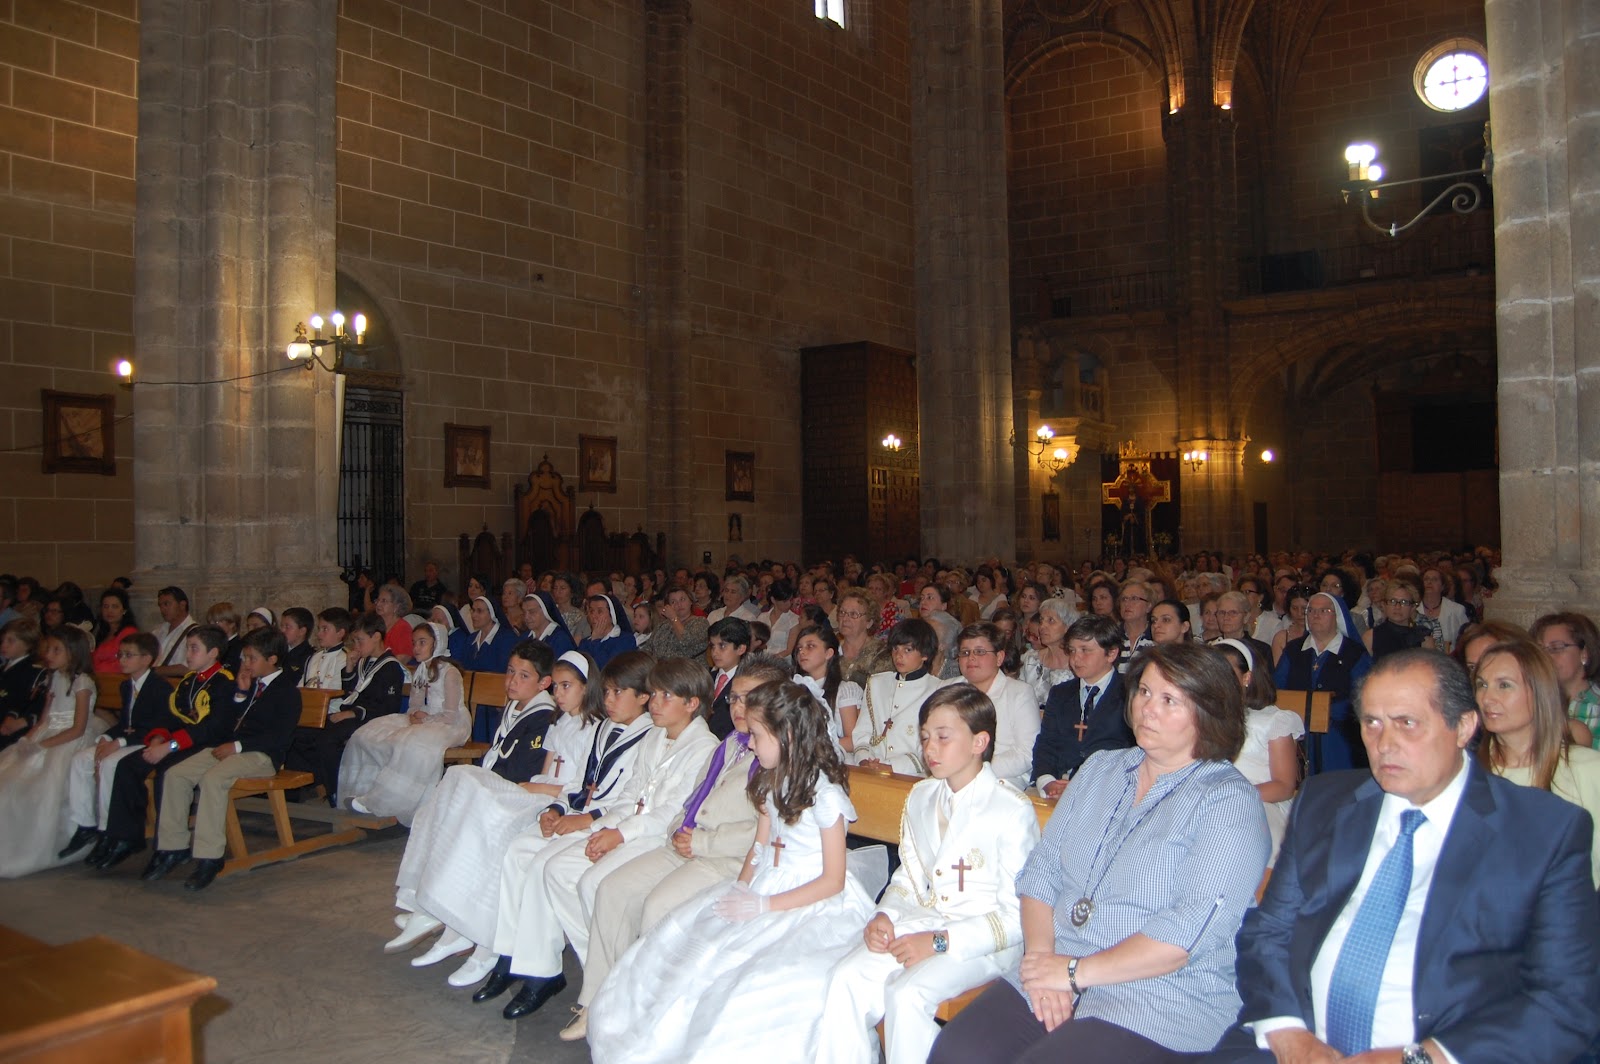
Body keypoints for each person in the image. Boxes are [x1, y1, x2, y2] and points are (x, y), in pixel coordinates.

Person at [1205, 649, 1600, 1064]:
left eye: (1406, 723)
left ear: (1464, 726)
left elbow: (1566, 1002)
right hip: (1296, 1040)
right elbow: (1269, 934)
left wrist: (1424, 1057)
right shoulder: (1328, 803)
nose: (1385, 744)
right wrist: (1287, 1034)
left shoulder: (1542, 830)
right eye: (1371, 723)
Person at [931, 641, 1270, 1063]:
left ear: (1209, 712)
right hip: (1055, 961)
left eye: (1169, 700)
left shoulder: (1226, 799)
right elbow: (1041, 873)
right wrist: (1042, 961)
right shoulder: (1100, 769)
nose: (1148, 709)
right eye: (1144, 692)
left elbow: (1185, 935)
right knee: (957, 1052)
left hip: (1156, 993)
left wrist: (1074, 973)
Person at [586, 680, 874, 1063]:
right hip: (763, 887)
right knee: (693, 950)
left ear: (786, 734)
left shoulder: (827, 797)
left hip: (812, 900)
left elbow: (832, 881)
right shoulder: (771, 781)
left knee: (750, 981)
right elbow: (759, 846)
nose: (749, 744)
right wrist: (741, 890)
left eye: (756, 735)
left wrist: (764, 905)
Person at [567, 656, 788, 1042]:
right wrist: (679, 830)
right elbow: (692, 798)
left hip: (725, 859)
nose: (739, 708)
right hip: (688, 844)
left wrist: (699, 840)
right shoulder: (730, 745)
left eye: (749, 699)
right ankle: (599, 1000)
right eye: (734, 699)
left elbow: (763, 831)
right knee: (612, 889)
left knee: (657, 907)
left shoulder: (775, 755)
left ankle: (648, 1018)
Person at [488, 657, 720, 1022]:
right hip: (626, 827)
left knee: (591, 881)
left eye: (664, 696)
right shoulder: (658, 736)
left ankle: (611, 977)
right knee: (553, 868)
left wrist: (617, 833)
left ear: (691, 704)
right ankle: (598, 965)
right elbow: (629, 796)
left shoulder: (704, 748)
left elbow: (667, 815)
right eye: (654, 693)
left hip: (655, 839)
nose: (654, 703)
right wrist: (602, 829)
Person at [821, 683, 1041, 1064]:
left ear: (979, 742)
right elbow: (908, 876)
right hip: (922, 923)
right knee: (846, 977)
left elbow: (1016, 917)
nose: (930, 748)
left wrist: (939, 942)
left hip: (982, 942)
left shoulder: (1010, 810)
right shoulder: (922, 796)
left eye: (943, 737)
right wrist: (885, 915)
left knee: (908, 994)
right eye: (925, 737)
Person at [450, 652, 654, 998]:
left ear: (642, 697)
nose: (608, 700)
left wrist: (584, 819)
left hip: (605, 823)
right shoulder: (606, 727)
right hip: (578, 813)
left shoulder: (648, 738)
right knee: (516, 851)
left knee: (542, 865)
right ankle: (509, 953)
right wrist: (556, 809)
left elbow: (622, 801)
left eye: (617, 693)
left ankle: (542, 970)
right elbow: (579, 783)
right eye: (606, 692)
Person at [386, 642, 578, 985]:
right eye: (510, 672)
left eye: (523, 675)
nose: (512, 681)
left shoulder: (544, 716)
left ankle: (450, 918)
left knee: (462, 784)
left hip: (526, 797)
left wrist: (494, 788)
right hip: (514, 790)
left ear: (543, 683)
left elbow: (528, 774)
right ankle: (427, 902)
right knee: (449, 792)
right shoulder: (521, 708)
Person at [147, 627, 302, 891]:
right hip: (231, 748)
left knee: (213, 778)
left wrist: (238, 746)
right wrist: (240, 695)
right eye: (244, 657)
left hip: (261, 756)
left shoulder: (286, 691)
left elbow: (277, 737)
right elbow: (230, 722)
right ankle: (172, 847)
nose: (245, 663)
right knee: (176, 773)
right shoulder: (248, 684)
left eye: (251, 658)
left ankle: (210, 856)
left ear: (272, 659)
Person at [98, 626, 236, 874]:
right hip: (183, 741)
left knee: (167, 771)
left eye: (194, 648)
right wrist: (159, 736)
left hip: (207, 746)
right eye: (187, 647)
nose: (188, 654)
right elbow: (172, 717)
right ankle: (126, 836)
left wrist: (170, 746)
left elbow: (211, 729)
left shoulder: (224, 682)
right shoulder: (189, 681)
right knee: (129, 765)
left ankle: (171, 847)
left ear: (213, 652)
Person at [1473, 638, 1600, 884]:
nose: (1487, 698)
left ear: (1540, 691)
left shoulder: (1588, 769)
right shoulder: (1465, 772)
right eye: (1482, 684)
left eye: (1504, 685)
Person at [338, 622, 471, 824]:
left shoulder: (449, 672)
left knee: (409, 742)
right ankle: (366, 789)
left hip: (451, 724)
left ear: (437, 644)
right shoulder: (420, 670)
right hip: (427, 719)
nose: (416, 648)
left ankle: (384, 802)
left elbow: (450, 714)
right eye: (414, 643)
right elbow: (414, 704)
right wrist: (412, 716)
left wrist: (423, 719)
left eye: (422, 642)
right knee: (369, 733)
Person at [60, 633, 174, 864]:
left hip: (149, 741)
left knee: (111, 762)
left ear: (147, 659)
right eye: (120, 654)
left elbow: (157, 727)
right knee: (80, 759)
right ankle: (86, 824)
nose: (122, 659)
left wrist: (119, 742)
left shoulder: (159, 688)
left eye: (128, 655)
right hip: (128, 738)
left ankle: (109, 831)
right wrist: (105, 737)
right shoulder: (126, 685)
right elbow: (124, 724)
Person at [0, 626, 102, 877]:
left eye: (57, 650)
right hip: (49, 733)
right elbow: (45, 719)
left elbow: (78, 728)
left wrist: (42, 746)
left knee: (37, 785)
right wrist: (28, 739)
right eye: (49, 649)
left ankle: (41, 845)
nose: (49, 654)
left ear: (73, 652)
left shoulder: (82, 682)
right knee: (8, 774)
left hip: (69, 739)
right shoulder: (53, 677)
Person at [284, 612, 407, 805]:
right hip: (351, 714)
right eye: (354, 641)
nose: (356, 646)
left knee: (327, 739)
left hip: (371, 719)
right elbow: (352, 690)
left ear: (376, 637)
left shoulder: (391, 667)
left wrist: (352, 712)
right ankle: (316, 781)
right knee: (297, 734)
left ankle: (335, 791)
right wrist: (349, 667)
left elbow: (387, 706)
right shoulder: (364, 662)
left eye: (360, 640)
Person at [1216, 639, 1303, 866]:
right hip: (1210, 798)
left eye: (1226, 672)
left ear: (1246, 677)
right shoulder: (1200, 718)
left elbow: (1284, 786)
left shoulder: (1272, 720)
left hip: (1260, 801)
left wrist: (1233, 796)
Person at [1031, 614, 1132, 797]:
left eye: (1085, 650)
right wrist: (1047, 781)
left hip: (1107, 789)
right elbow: (1047, 743)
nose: (1076, 659)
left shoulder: (1130, 693)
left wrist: (1084, 786)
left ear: (1111, 653)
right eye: (1072, 650)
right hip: (1059, 785)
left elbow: (1132, 752)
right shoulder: (1060, 693)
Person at [1273, 591, 1370, 773]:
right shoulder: (1294, 651)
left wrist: (1327, 710)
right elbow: (1278, 689)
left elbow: (1364, 697)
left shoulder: (1354, 653)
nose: (1316, 615)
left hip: (1340, 740)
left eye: (1324, 610)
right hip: (1298, 735)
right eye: (1311, 611)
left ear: (1337, 616)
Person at [944, 622, 1040, 792]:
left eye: (980, 652)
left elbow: (1027, 753)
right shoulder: (946, 690)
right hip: (950, 773)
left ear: (999, 658)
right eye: (965, 652)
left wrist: (973, 769)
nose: (971, 658)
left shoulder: (1019, 693)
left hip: (1002, 778)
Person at [850, 619, 942, 775]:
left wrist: (892, 767)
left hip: (911, 775)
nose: (898, 656)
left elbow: (934, 746)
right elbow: (862, 732)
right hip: (869, 767)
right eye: (895, 649)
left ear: (925, 654)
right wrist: (864, 759)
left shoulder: (938, 690)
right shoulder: (876, 683)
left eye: (907, 650)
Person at [1531, 611, 1600, 748]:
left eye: (1556, 648)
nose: (1546, 657)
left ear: (1584, 653)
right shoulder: (1529, 702)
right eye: (1540, 650)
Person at [793, 623, 863, 756]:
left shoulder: (844, 690)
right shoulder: (794, 688)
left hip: (834, 759)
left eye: (810, 646)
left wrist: (812, 746)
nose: (802, 652)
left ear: (829, 653)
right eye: (799, 648)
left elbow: (853, 741)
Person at [1019, 598, 1077, 707]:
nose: (1042, 627)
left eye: (1051, 620)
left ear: (1068, 627)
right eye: (1041, 621)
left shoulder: (1078, 664)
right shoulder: (1031, 659)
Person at [1362, 578, 1436, 660]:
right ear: (1384, 605)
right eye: (1393, 601)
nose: (1397, 607)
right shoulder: (1370, 637)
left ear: (1413, 607)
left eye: (1404, 602)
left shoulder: (1424, 639)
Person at [0, 618, 45, 752]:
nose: (3, 646)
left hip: (12, 726)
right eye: (2, 640)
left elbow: (26, 701)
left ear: (28, 644)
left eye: (10, 641)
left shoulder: (33, 670)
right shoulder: (3, 668)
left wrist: (14, 719)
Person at [705, 617, 750, 738]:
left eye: (722, 646)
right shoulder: (706, 678)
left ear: (741, 649)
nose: (714, 653)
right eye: (712, 646)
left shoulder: (747, 684)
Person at [577, 594, 637, 668]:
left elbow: (606, 668)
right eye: (591, 611)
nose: (593, 616)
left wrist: (596, 641)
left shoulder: (626, 640)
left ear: (612, 615)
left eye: (600, 611)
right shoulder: (584, 642)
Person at [649, 587, 710, 661]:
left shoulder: (700, 622)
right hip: (660, 668)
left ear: (690, 602)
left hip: (687, 669)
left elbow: (686, 642)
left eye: (682, 599)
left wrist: (674, 618)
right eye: (673, 602)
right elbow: (649, 648)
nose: (679, 604)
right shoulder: (662, 626)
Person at [90, 587, 139, 673]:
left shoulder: (129, 632)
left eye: (115, 607)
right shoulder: (101, 633)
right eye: (106, 606)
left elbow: (127, 662)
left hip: (117, 679)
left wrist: (97, 669)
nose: (109, 611)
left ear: (124, 610)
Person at [150, 586, 197, 669]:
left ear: (182, 605)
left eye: (166, 604)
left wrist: (153, 672)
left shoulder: (195, 632)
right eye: (160, 605)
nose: (162, 609)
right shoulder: (158, 631)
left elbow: (189, 667)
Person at [375, 584, 415, 660]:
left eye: (384, 601)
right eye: (377, 600)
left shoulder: (403, 628)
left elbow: (404, 658)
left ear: (396, 607)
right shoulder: (375, 624)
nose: (378, 604)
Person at [278, 607, 316, 681]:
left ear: (302, 631)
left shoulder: (310, 657)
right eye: (281, 626)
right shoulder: (278, 651)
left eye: (287, 627)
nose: (282, 630)